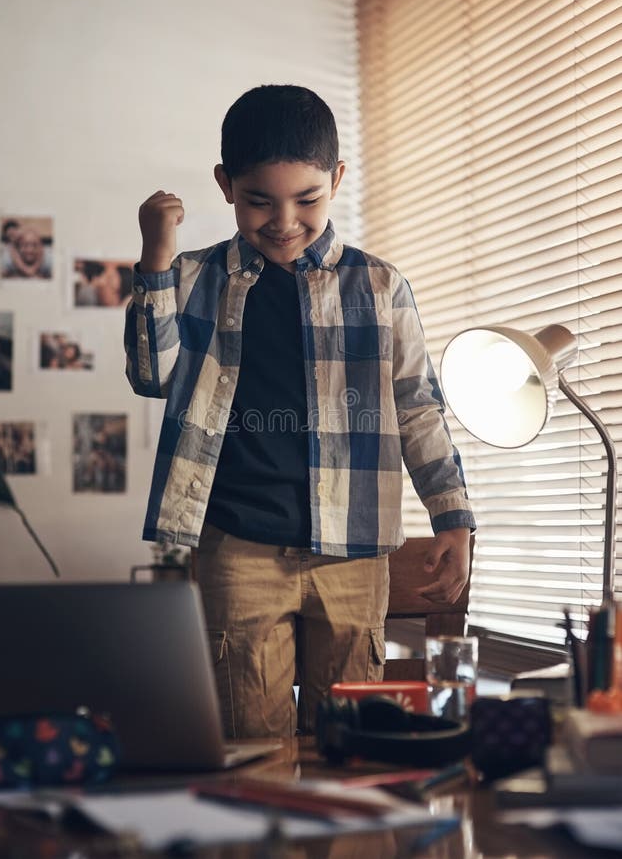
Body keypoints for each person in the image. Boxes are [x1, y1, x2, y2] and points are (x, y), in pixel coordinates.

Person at [124, 84, 476, 740]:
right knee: (251, 740)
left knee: (353, 741)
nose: (284, 220)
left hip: (353, 552)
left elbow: (418, 408)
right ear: (227, 185)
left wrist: (452, 515)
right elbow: (152, 374)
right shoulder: (192, 278)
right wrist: (154, 257)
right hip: (236, 547)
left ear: (337, 180)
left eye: (307, 199)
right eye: (260, 200)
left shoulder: (380, 286)